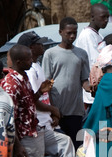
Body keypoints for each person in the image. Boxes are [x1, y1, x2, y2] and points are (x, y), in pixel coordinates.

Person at [43, 17, 91, 150]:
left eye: (75, 32)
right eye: (68, 33)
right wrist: (52, 111)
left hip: (75, 111)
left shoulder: (81, 54)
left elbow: (84, 81)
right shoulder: (50, 54)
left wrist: (91, 88)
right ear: (60, 32)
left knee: (76, 149)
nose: (72, 36)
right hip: (58, 111)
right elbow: (46, 86)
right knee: (60, 149)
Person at [1, 44, 53, 157]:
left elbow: (28, 103)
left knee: (64, 144)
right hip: (24, 137)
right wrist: (18, 146)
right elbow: (8, 120)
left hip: (34, 130)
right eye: (29, 59)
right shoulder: (11, 85)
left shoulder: (24, 77)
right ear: (19, 62)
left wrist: (40, 92)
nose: (32, 61)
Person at [76, 3, 110, 108]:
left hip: (99, 90)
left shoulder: (98, 35)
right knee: (97, 121)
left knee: (102, 121)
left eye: (108, 17)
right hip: (91, 92)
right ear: (92, 17)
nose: (106, 20)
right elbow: (95, 62)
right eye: (103, 17)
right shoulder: (87, 35)